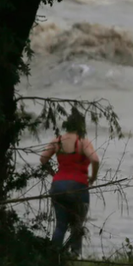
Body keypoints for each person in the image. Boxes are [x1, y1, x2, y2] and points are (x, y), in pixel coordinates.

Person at [40, 109, 100, 256]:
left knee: (60, 225)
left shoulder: (57, 141)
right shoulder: (82, 142)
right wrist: (92, 177)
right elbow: (95, 159)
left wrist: (53, 173)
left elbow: (43, 159)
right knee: (77, 225)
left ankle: (54, 257)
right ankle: (74, 255)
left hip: (58, 185)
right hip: (78, 186)